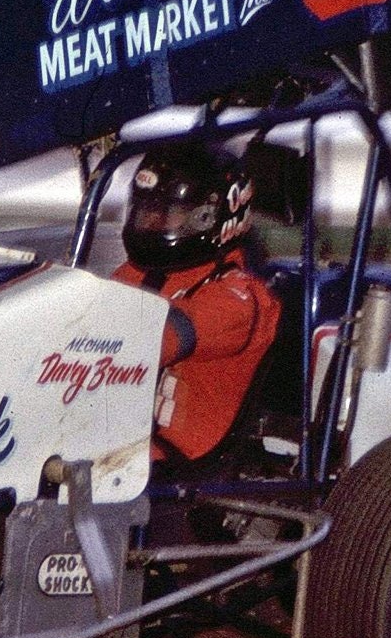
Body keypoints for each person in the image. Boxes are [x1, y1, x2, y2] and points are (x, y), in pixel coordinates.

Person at [113, 140, 282, 463]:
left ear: (210, 218)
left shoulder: (239, 295)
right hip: (123, 440)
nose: (151, 223)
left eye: (169, 215)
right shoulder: (137, 272)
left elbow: (159, 338)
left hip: (179, 459)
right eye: (146, 211)